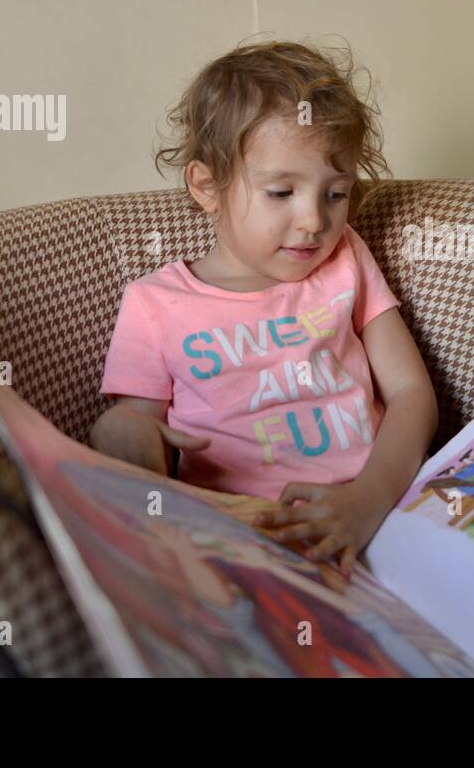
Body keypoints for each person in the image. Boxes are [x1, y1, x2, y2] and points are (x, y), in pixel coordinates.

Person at [89, 38, 438, 577]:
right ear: (207, 186)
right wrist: (121, 438)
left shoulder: (346, 260)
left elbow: (412, 393)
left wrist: (369, 500)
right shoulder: (155, 304)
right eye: (281, 193)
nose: (313, 222)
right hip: (240, 540)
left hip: (379, 511)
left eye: (335, 193)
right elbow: (134, 433)